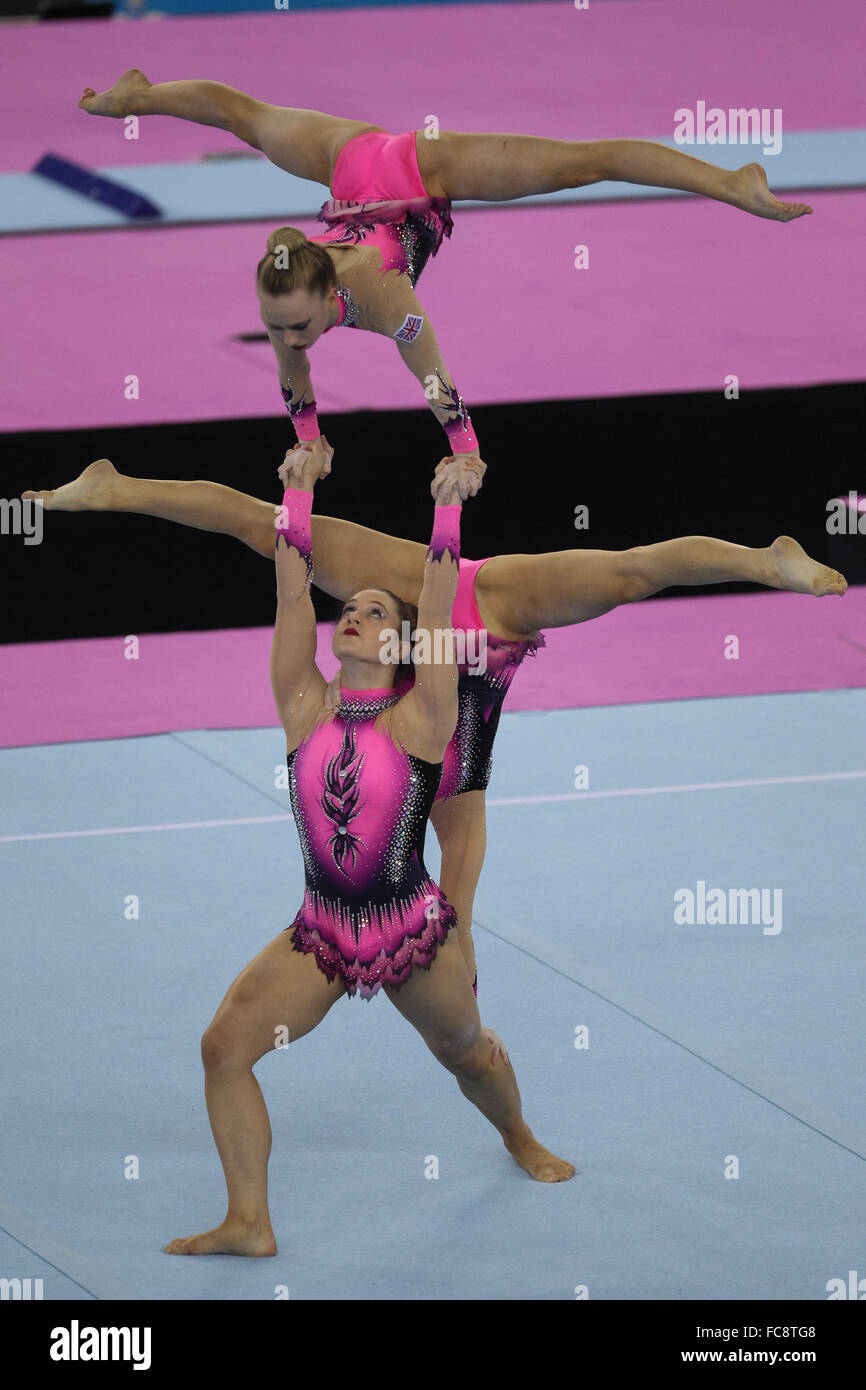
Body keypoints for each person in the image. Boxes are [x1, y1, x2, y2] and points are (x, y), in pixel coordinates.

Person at [23, 457, 847, 1018]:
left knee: (629, 572)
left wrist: (464, 929)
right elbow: (459, 865)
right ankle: (114, 486)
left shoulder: (427, 776)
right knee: (269, 528)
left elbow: (454, 896)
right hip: (466, 611)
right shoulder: (447, 787)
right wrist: (463, 928)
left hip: (443, 600)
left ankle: (764, 559)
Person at [163, 441, 574, 1257]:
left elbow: (443, 596)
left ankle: (519, 1136)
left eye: (379, 613)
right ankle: (249, 1221)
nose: (355, 613)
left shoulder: (419, 720)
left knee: (465, 1051)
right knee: (222, 1049)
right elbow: (290, 585)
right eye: (352, 608)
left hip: (409, 929)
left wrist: (449, 507)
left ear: (405, 648)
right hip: (320, 927)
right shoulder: (303, 706)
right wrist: (299, 497)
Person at [78, 69, 813, 471]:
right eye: (277, 327)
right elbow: (293, 381)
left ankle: (731, 181)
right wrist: (309, 440)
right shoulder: (285, 294)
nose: (287, 338)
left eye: (294, 327)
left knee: (581, 164)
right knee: (241, 114)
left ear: (331, 292)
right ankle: (138, 95)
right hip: (348, 160)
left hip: (416, 170)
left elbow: (430, 371)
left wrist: (466, 450)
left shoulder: (371, 287)